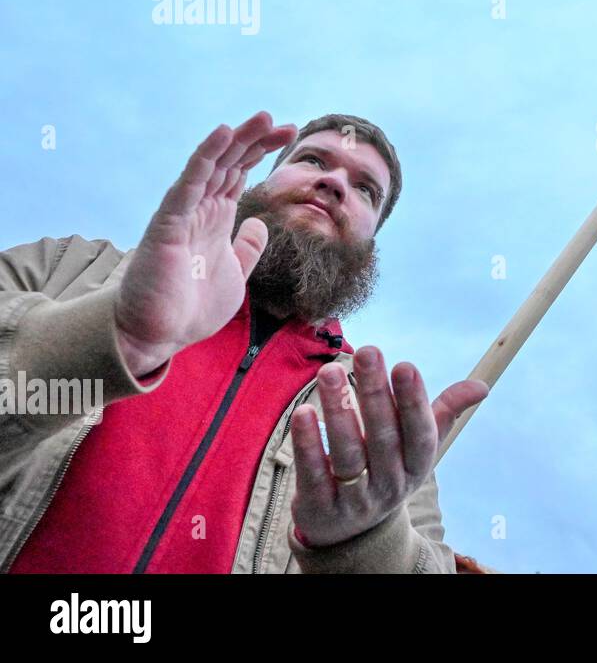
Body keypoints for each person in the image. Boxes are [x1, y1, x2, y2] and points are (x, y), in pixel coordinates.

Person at [0, 111, 488, 573]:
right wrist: (110, 337)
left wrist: (364, 542)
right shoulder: (72, 268)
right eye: (313, 160)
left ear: (371, 243)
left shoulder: (377, 429)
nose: (334, 183)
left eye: (365, 189)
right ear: (260, 184)